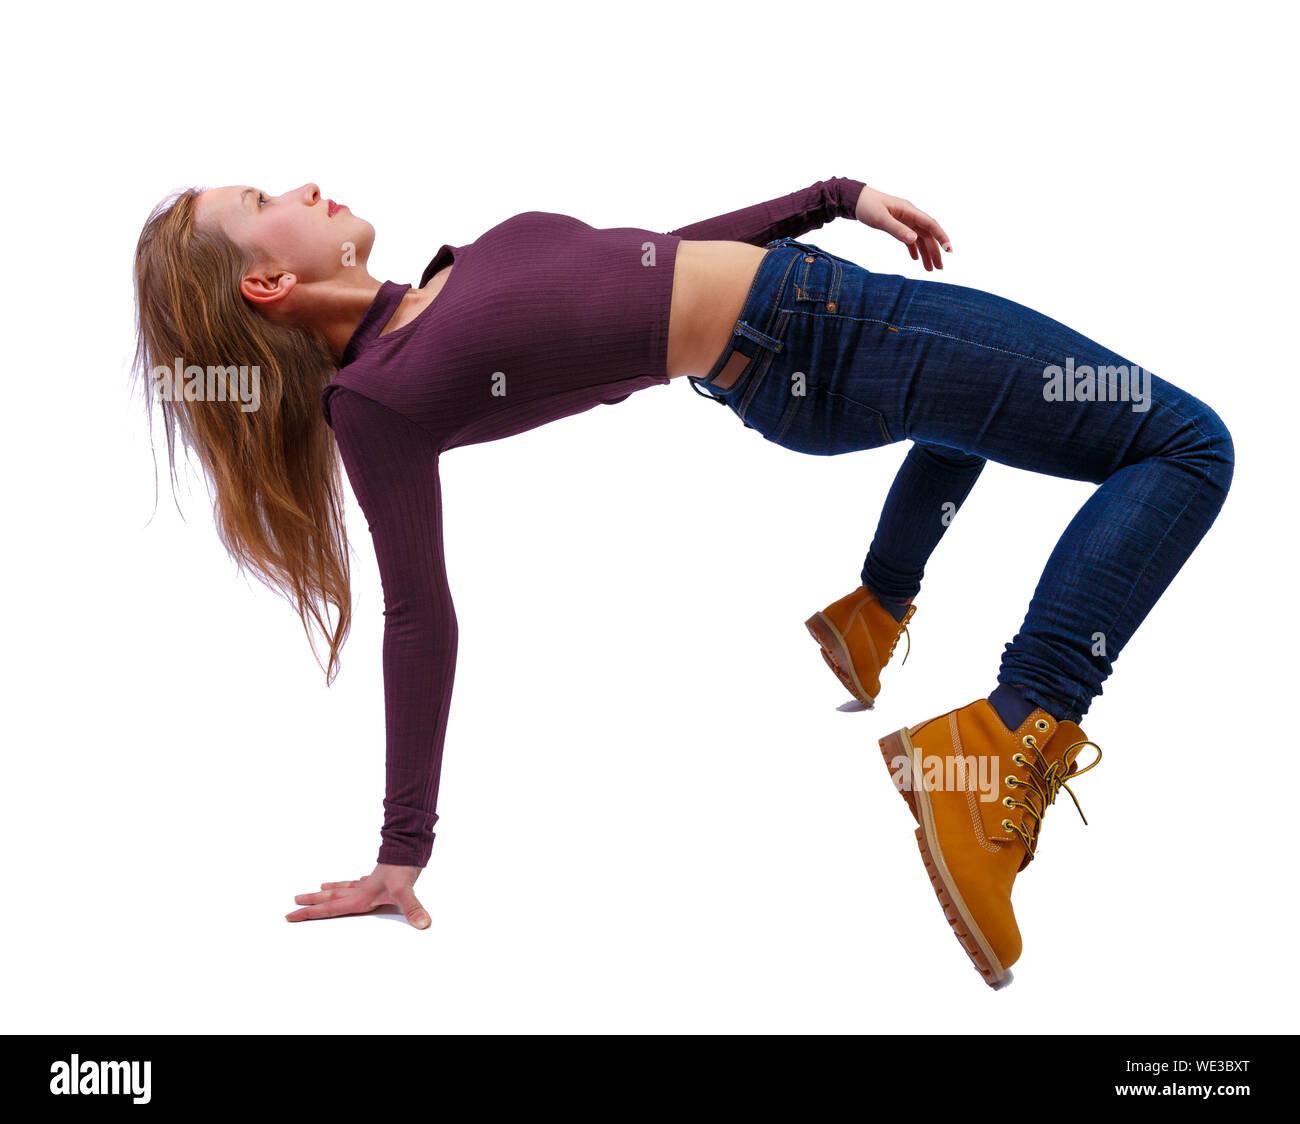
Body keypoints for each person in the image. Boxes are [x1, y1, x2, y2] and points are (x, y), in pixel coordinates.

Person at [132, 176, 1232, 986]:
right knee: (1186, 446)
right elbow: (419, 614)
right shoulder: (376, 395)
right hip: (830, 339)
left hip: (814, 321)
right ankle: (1001, 744)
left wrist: (828, 196)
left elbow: (654, 262)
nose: (307, 185)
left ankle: (874, 617)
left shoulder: (437, 287)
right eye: (268, 197)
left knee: (972, 418)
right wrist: (400, 848)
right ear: (267, 281)